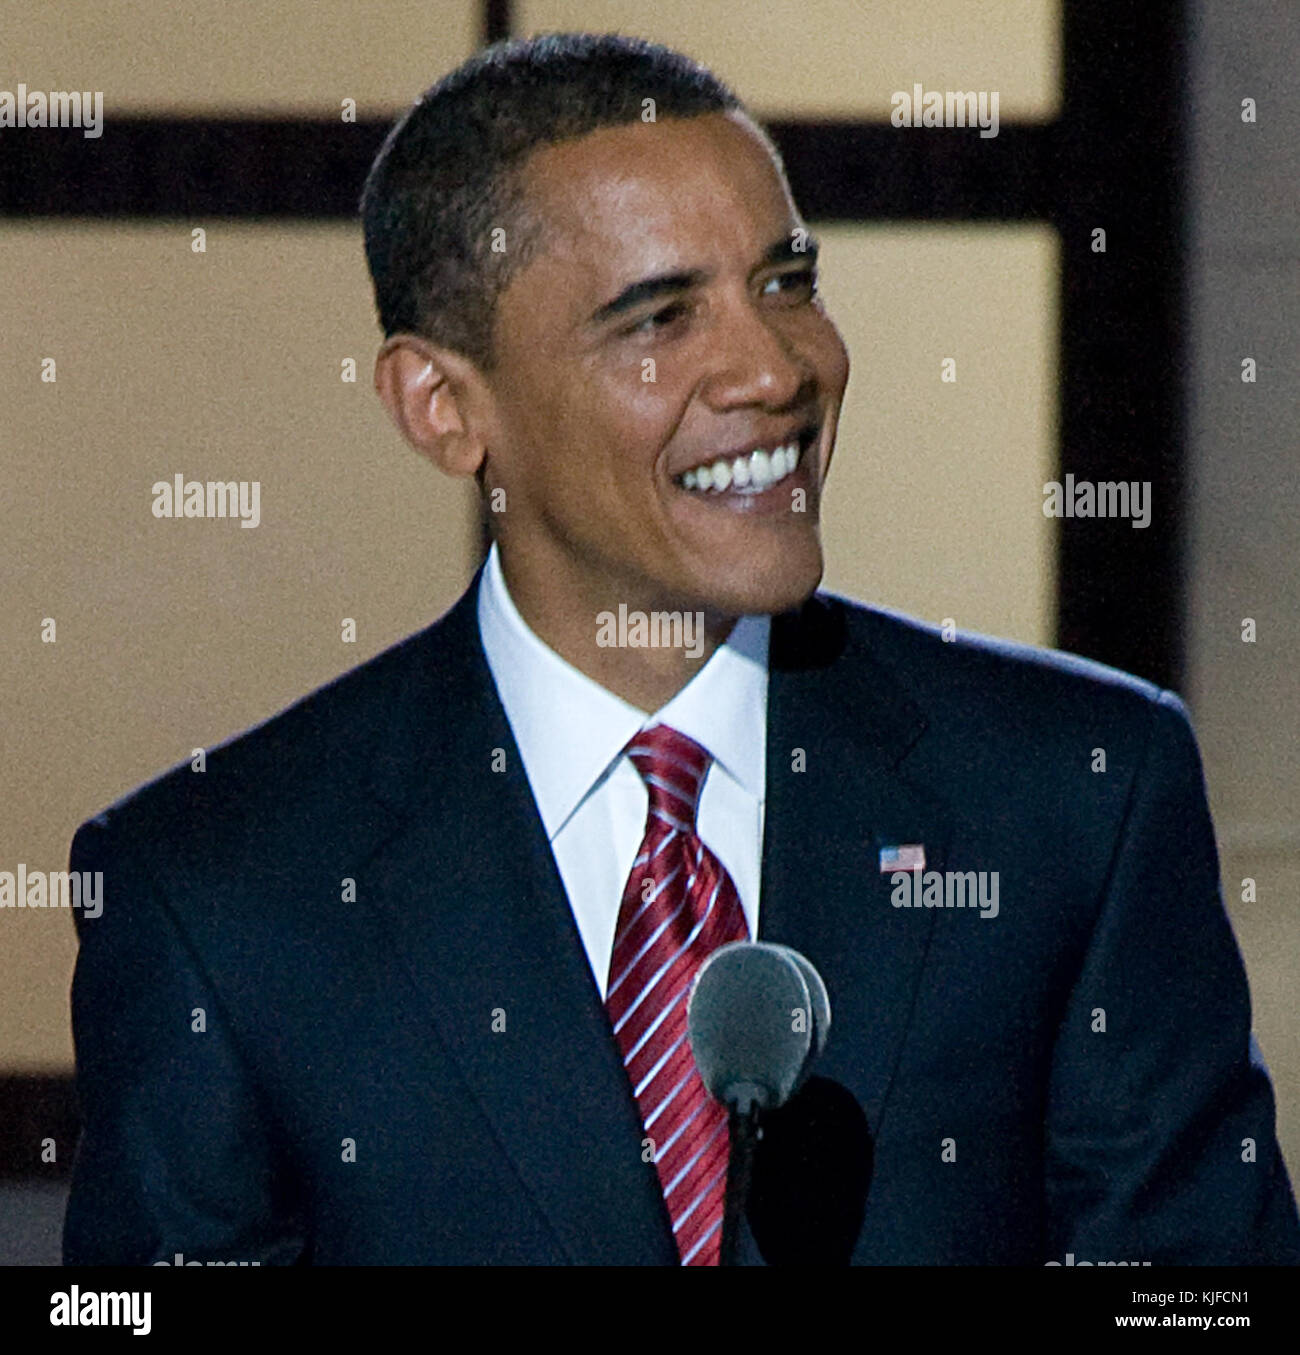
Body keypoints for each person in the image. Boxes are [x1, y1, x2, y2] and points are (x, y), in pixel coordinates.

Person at [63, 32, 1299, 1267]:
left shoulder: (1076, 791)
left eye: (786, 283)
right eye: (659, 317)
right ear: (444, 408)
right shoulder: (213, 890)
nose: (774, 368)